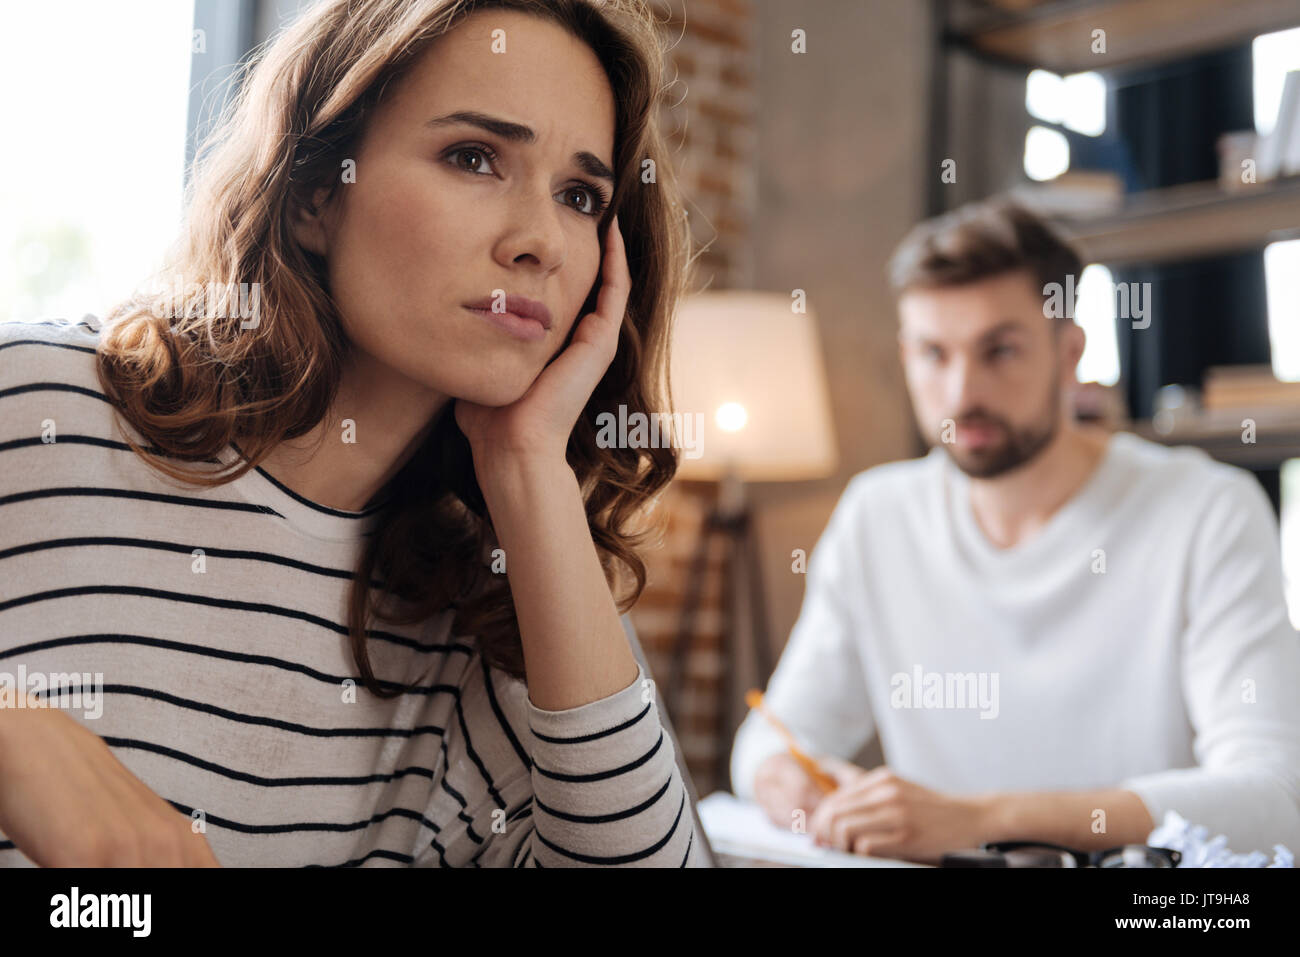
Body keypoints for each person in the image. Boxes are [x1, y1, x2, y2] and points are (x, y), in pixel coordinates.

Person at [0, 0, 704, 867]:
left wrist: (525, 465)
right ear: (313, 197)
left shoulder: (517, 609)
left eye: (579, 196)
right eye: (474, 157)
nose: (540, 242)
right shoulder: (35, 401)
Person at [730, 199, 1300, 862]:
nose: (962, 390)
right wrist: (801, 790)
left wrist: (981, 820)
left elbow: (1276, 799)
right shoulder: (876, 516)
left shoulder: (1207, 512)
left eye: (999, 350)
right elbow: (771, 738)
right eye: (933, 353)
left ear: (1070, 353)